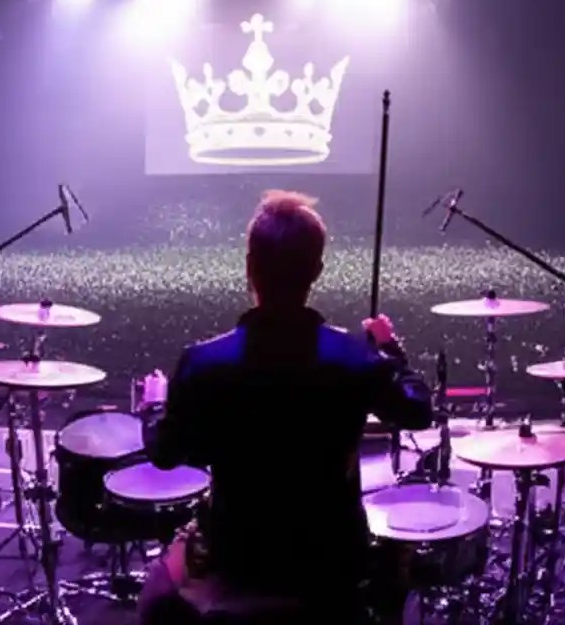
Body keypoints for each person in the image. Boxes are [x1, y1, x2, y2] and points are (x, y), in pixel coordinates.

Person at [135, 190, 433, 624]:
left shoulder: (202, 362)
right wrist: (391, 351)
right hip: (332, 559)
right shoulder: (356, 358)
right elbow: (417, 410)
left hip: (239, 557)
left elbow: (164, 455)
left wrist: (154, 405)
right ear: (317, 270)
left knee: (155, 599)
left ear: (249, 267)